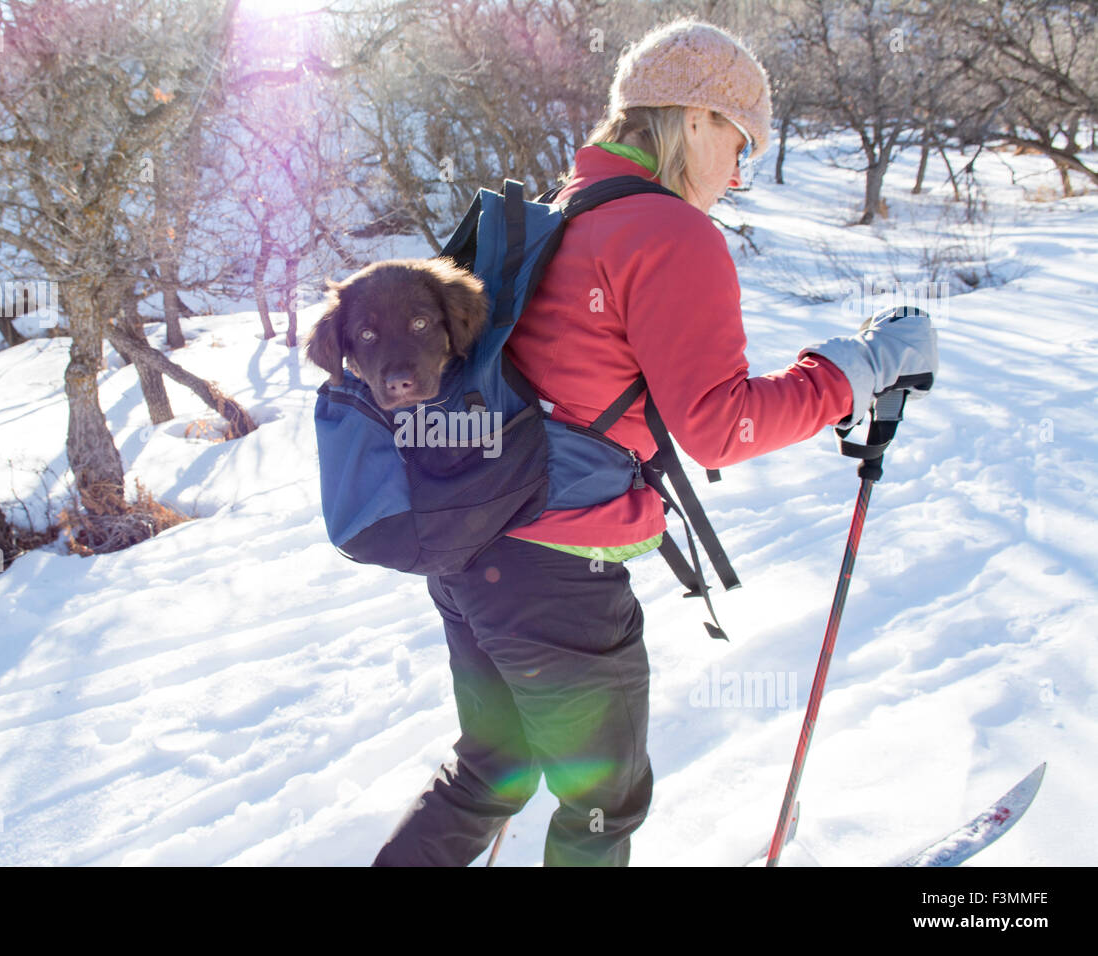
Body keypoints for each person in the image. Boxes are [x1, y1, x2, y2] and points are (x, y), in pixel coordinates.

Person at [371, 18, 937, 867]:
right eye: (740, 143)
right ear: (696, 119)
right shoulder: (668, 234)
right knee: (604, 801)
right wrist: (854, 371)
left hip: (470, 552)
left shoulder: (564, 213)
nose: (740, 173)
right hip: (557, 571)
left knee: (493, 767)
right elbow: (720, 423)